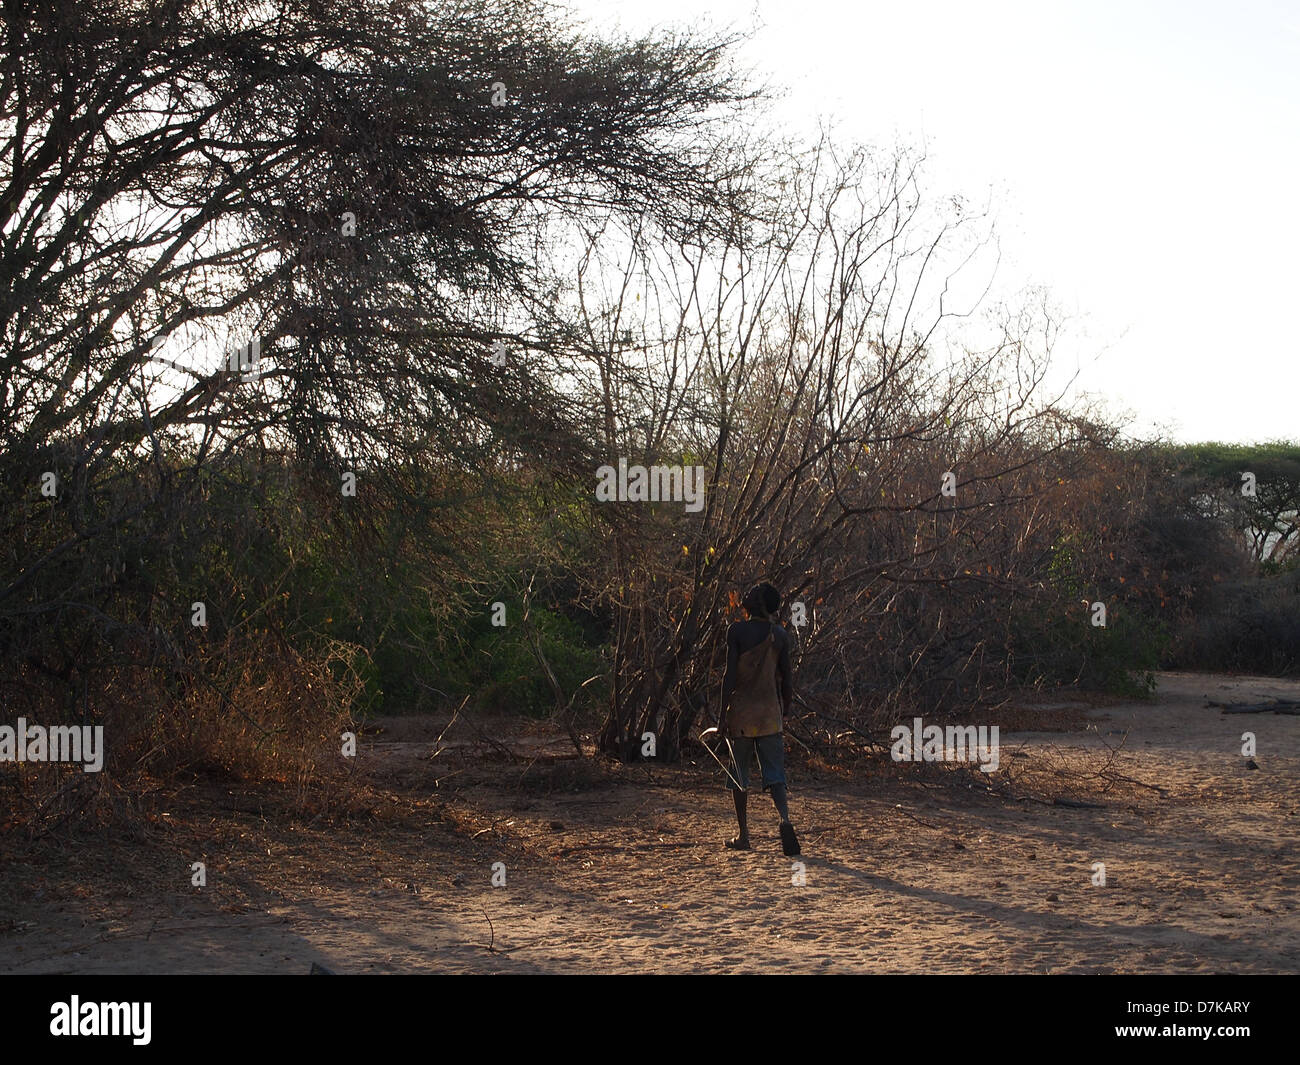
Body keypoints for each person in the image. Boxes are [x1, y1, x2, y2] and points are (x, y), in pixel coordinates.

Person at [715, 582, 800, 856]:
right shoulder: (780, 636)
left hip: (741, 713)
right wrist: (785, 710)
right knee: (775, 775)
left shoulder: (737, 631)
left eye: (751, 593)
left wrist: (721, 713)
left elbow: (729, 676)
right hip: (770, 715)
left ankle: (743, 835)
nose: (746, 594)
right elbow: (787, 678)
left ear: (759, 603)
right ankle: (785, 819)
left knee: (739, 775)